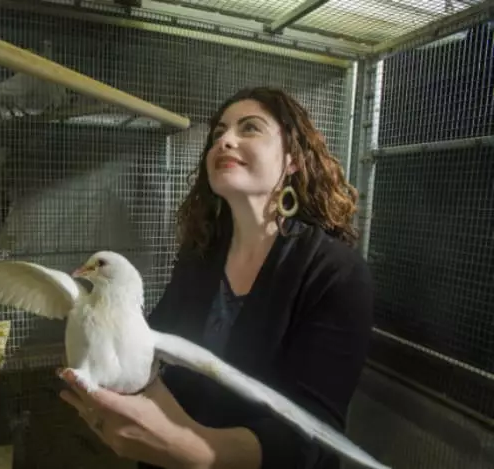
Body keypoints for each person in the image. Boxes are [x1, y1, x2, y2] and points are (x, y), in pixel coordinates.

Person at [58, 86, 375, 469]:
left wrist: (193, 451)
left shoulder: (336, 272)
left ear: (292, 159)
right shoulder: (200, 255)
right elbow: (148, 352)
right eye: (218, 133)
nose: (225, 140)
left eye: (250, 128)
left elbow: (315, 436)